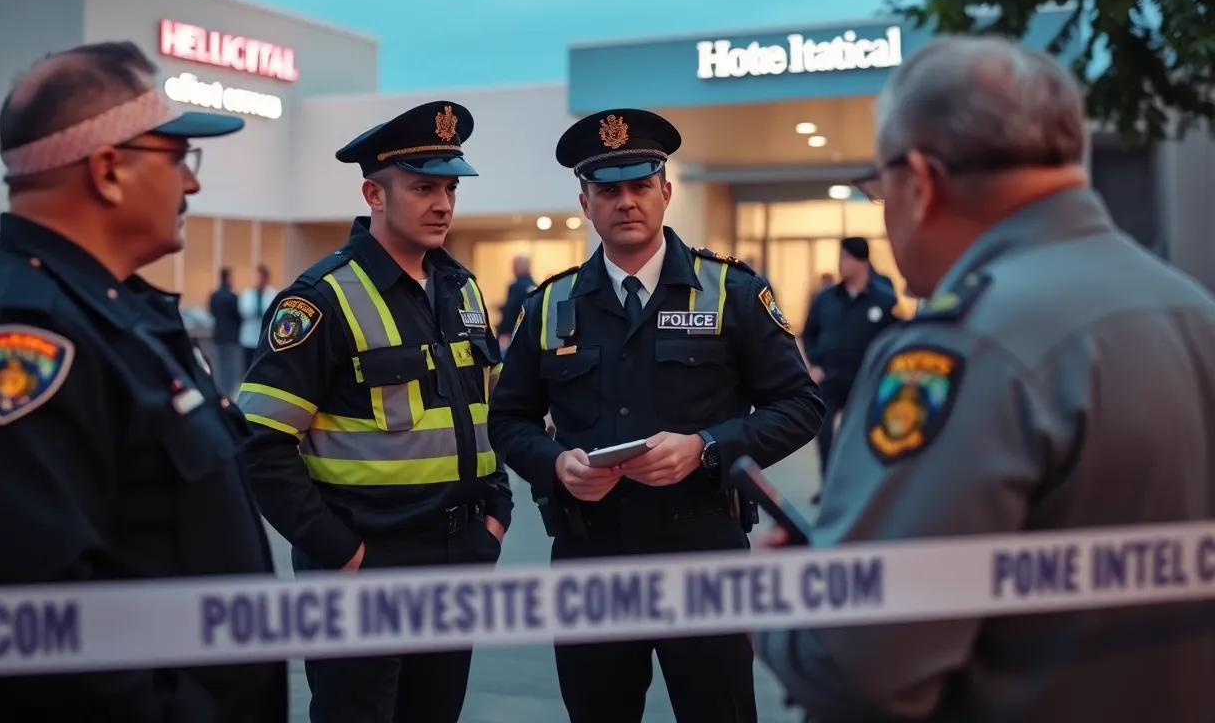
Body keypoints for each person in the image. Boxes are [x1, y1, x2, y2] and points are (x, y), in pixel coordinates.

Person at [755, 35, 1215, 721]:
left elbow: (859, 665)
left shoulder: (961, 347)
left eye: (881, 187)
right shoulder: (1190, 309)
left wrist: (780, 592)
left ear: (922, 180)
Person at [489, 108, 824, 723]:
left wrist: (707, 447)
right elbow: (508, 420)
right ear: (585, 202)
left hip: (701, 553)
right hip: (592, 561)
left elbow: (801, 405)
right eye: (608, 190)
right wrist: (556, 464)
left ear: (666, 192)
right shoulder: (550, 304)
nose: (626, 202)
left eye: (640, 186)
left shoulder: (733, 294)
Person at [0, 41, 286, 721]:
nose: (192, 183)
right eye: (178, 156)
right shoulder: (31, 335)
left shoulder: (120, 313)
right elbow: (50, 630)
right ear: (107, 170)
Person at [236, 101, 512, 723]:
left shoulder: (461, 289)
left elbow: (482, 413)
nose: (443, 203)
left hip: (455, 561)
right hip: (363, 567)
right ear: (374, 194)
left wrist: (495, 512)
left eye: (449, 187)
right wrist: (342, 552)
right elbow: (260, 444)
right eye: (422, 188)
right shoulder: (319, 300)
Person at [800, 236, 901, 492]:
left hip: (865, 382)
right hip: (830, 380)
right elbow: (809, 332)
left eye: (845, 257)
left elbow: (893, 339)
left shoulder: (883, 300)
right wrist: (815, 364)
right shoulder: (826, 298)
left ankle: (859, 488)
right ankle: (828, 487)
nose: (840, 263)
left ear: (861, 261)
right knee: (824, 435)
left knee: (859, 436)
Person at [209, 266, 244, 395]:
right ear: (228, 278)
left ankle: (220, 390)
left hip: (218, 335)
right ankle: (227, 393)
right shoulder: (232, 297)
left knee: (220, 365)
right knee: (230, 366)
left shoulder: (214, 296)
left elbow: (212, 313)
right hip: (231, 336)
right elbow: (238, 316)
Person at [239, 263, 277, 368]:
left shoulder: (272, 293)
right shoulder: (248, 293)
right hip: (249, 338)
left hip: (265, 339)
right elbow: (244, 311)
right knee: (248, 367)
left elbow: (272, 312)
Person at [497, 254, 535, 349]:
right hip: (531, 334)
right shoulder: (536, 286)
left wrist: (503, 332)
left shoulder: (516, 286)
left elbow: (509, 311)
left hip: (515, 333)